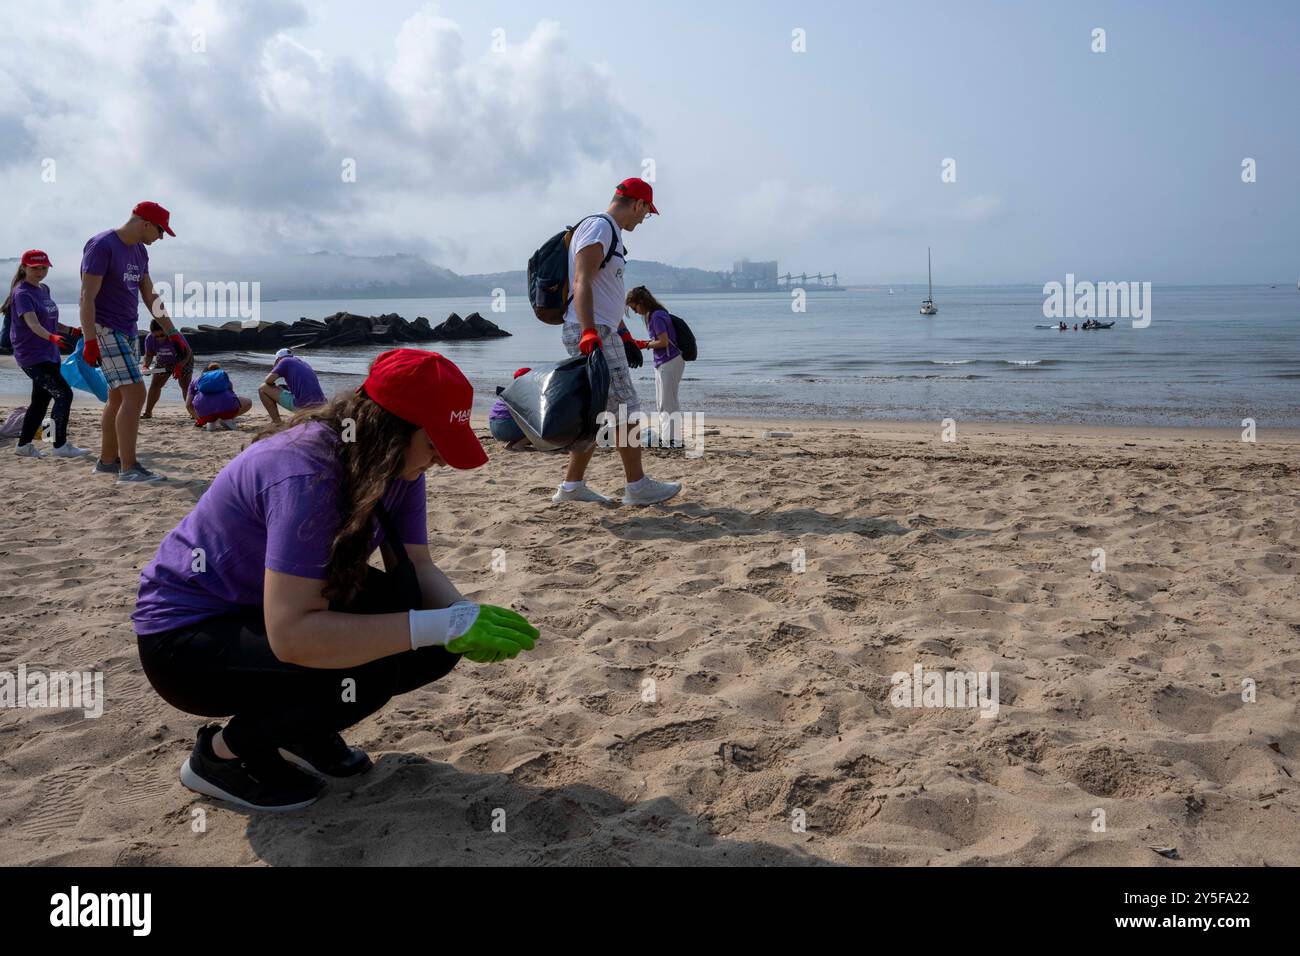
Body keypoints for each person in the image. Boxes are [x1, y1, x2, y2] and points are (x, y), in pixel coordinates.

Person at [133, 349, 539, 811]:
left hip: (269, 606)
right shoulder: (306, 470)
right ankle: (221, 757)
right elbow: (292, 636)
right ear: (391, 429)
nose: (443, 460)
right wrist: (439, 626)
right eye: (435, 444)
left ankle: (299, 731)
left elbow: (418, 567)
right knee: (372, 668)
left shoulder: (395, 464)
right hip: (186, 640)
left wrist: (464, 618)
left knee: (430, 641)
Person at [555, 177, 681, 506]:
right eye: (646, 212)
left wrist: (623, 332)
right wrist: (589, 331)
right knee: (627, 408)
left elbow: (604, 291)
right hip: (593, 328)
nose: (644, 218)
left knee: (596, 411)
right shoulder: (600, 228)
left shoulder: (609, 232)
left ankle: (571, 488)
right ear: (637, 204)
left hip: (603, 327)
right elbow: (582, 280)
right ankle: (637, 487)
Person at [79, 201, 190, 482]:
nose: (160, 238)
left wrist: (174, 333)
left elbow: (150, 296)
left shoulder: (139, 251)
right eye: (161, 231)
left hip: (129, 329)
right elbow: (86, 296)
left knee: (117, 396)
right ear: (145, 223)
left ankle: (107, 462)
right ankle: (129, 468)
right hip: (105, 328)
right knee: (136, 394)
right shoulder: (102, 245)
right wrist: (90, 340)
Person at [3, 250, 88, 459]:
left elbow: (49, 320)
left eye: (43, 268)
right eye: (35, 268)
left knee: (41, 401)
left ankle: (24, 445)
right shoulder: (22, 293)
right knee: (64, 394)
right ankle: (59, 445)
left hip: (49, 353)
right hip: (32, 356)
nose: (40, 272)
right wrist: (51, 338)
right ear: (24, 268)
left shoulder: (44, 289)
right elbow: (33, 323)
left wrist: (71, 331)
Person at [625, 285, 685, 450]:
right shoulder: (657, 314)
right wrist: (644, 344)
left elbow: (663, 342)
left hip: (669, 361)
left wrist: (644, 345)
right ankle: (669, 438)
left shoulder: (656, 316)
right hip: (665, 361)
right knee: (664, 403)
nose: (635, 312)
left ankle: (673, 440)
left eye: (634, 307)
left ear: (641, 302)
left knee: (667, 403)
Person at [141, 319, 194, 420]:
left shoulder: (176, 336)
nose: (159, 338)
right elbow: (148, 355)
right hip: (163, 359)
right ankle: (148, 412)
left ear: (166, 331)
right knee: (155, 385)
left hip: (183, 358)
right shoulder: (149, 339)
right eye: (156, 336)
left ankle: (192, 411)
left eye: (162, 335)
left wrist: (179, 366)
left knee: (185, 385)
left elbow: (187, 353)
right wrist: (145, 366)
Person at [259, 347, 327, 423]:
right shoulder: (303, 363)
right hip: (322, 405)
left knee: (263, 388)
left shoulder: (284, 361)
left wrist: (274, 371)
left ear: (278, 359)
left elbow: (268, 380)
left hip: (303, 406)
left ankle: (277, 422)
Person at [186, 362, 253, 431]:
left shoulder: (194, 381)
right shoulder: (222, 378)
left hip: (205, 414)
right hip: (227, 410)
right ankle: (227, 419)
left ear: (203, 374)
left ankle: (211, 422)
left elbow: (188, 405)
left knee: (209, 410)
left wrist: (200, 419)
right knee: (248, 402)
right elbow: (232, 394)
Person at [488, 367, 533, 450]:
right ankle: (520, 444)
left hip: (494, 428)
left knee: (515, 419)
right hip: (507, 428)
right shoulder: (527, 391)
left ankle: (510, 445)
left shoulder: (508, 390)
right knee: (537, 426)